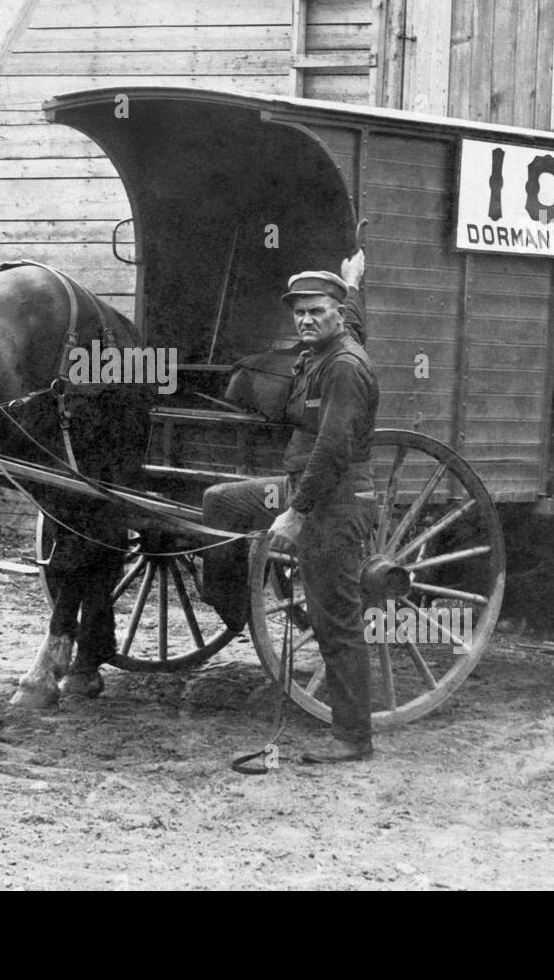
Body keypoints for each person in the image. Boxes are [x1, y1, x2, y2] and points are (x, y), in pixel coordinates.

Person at [202, 254, 379, 763]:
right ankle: (231, 603)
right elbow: (357, 323)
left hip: (335, 501)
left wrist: (296, 513)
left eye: (317, 311)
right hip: (303, 485)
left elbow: (333, 449)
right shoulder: (329, 348)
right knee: (221, 502)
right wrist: (352, 283)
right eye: (299, 312)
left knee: (336, 623)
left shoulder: (344, 367)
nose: (305, 320)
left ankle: (352, 739)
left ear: (335, 315)